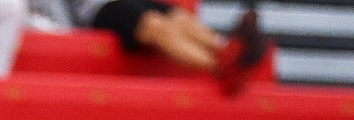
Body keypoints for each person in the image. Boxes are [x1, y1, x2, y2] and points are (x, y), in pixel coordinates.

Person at [74, 0, 264, 90]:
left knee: (179, 17)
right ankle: (223, 66)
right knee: (154, 25)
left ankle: (228, 51)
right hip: (97, 9)